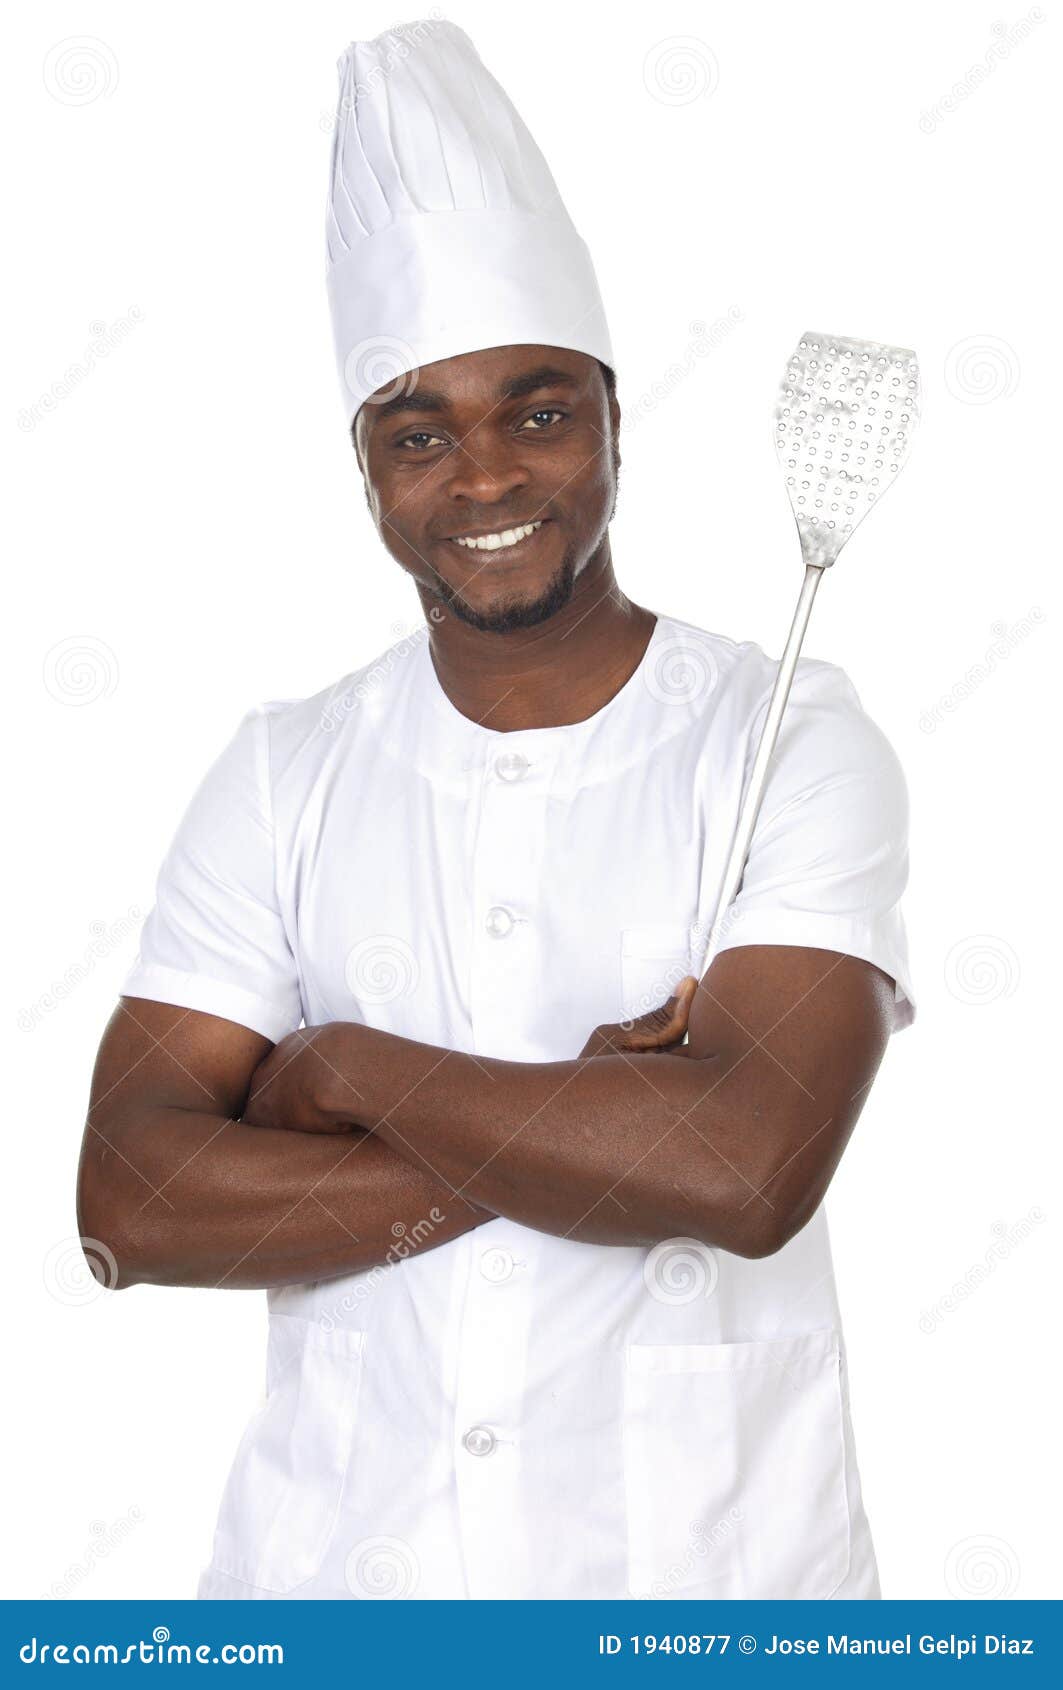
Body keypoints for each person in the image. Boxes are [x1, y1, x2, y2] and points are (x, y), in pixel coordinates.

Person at [77, 18, 916, 1601]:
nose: (482, 477)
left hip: (705, 1595)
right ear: (366, 470)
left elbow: (744, 1171)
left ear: (610, 413)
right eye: (419, 432)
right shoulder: (284, 771)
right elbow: (131, 1201)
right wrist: (592, 1122)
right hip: (333, 1593)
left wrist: (342, 1068)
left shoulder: (791, 738)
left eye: (536, 410)